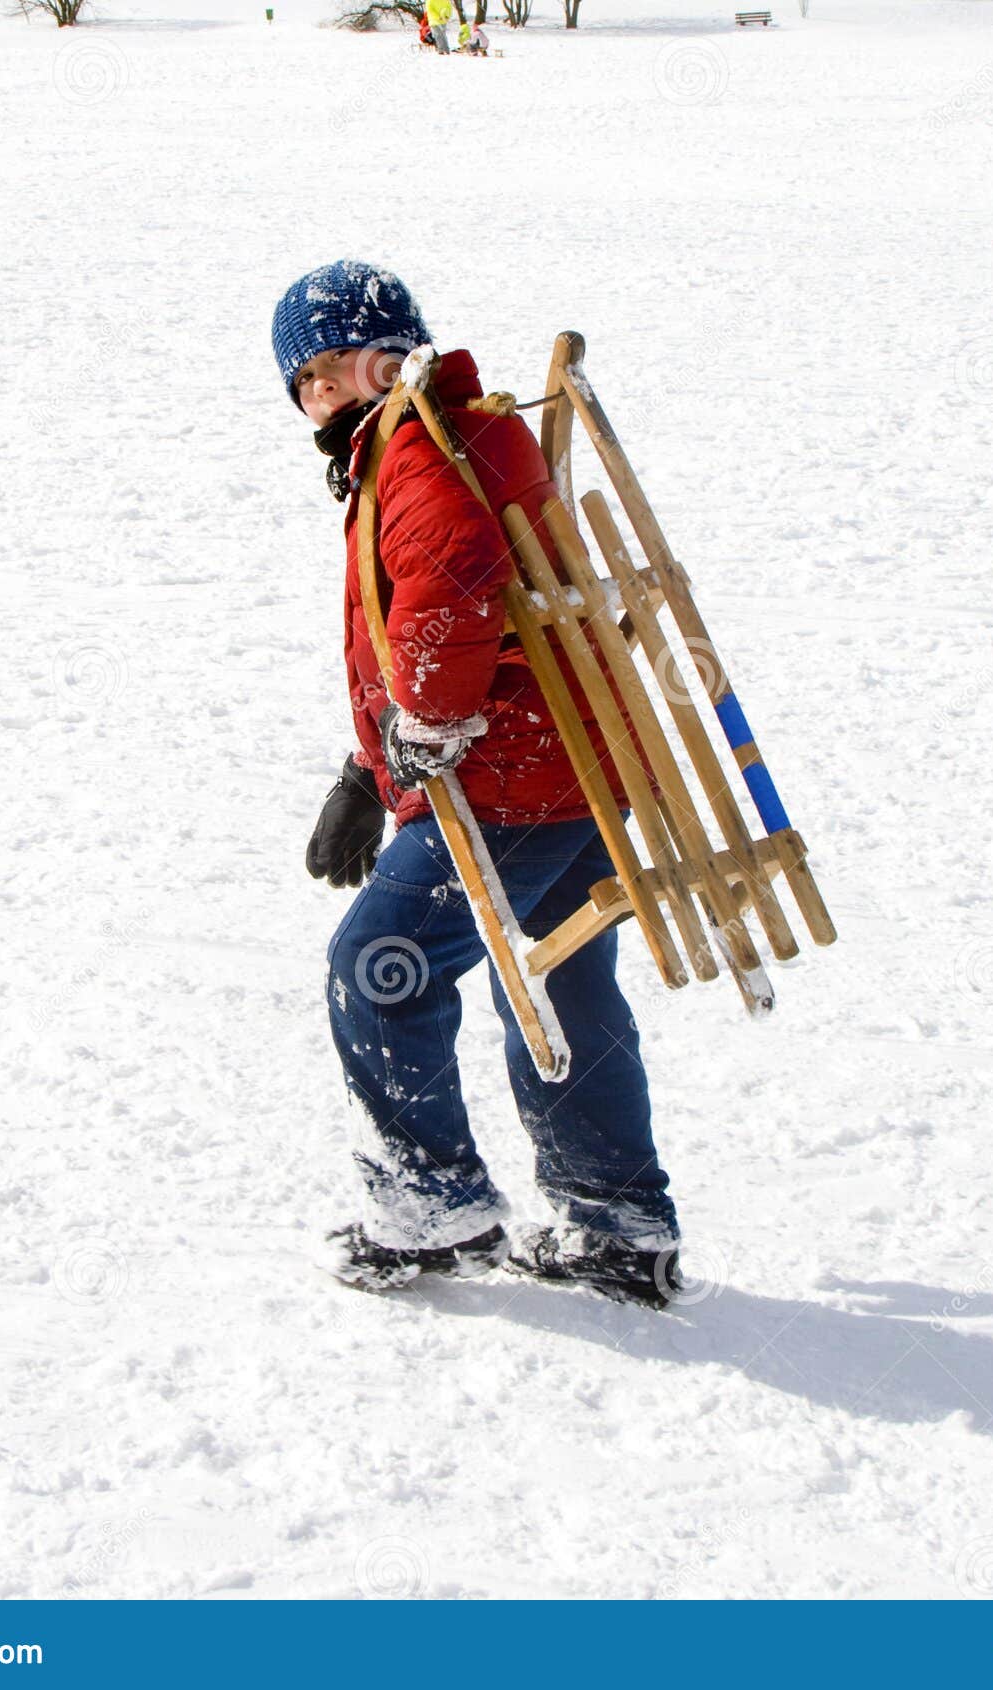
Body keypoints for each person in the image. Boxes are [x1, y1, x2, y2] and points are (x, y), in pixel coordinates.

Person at [270, 260, 682, 1307]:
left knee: (377, 964)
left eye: (325, 371)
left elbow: (455, 574)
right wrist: (373, 767)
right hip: (578, 763)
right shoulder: (451, 430)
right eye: (300, 383)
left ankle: (430, 1208)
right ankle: (616, 1222)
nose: (316, 398)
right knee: (555, 980)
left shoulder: (415, 451)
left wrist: (428, 725)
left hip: (514, 777)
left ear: (375, 358)